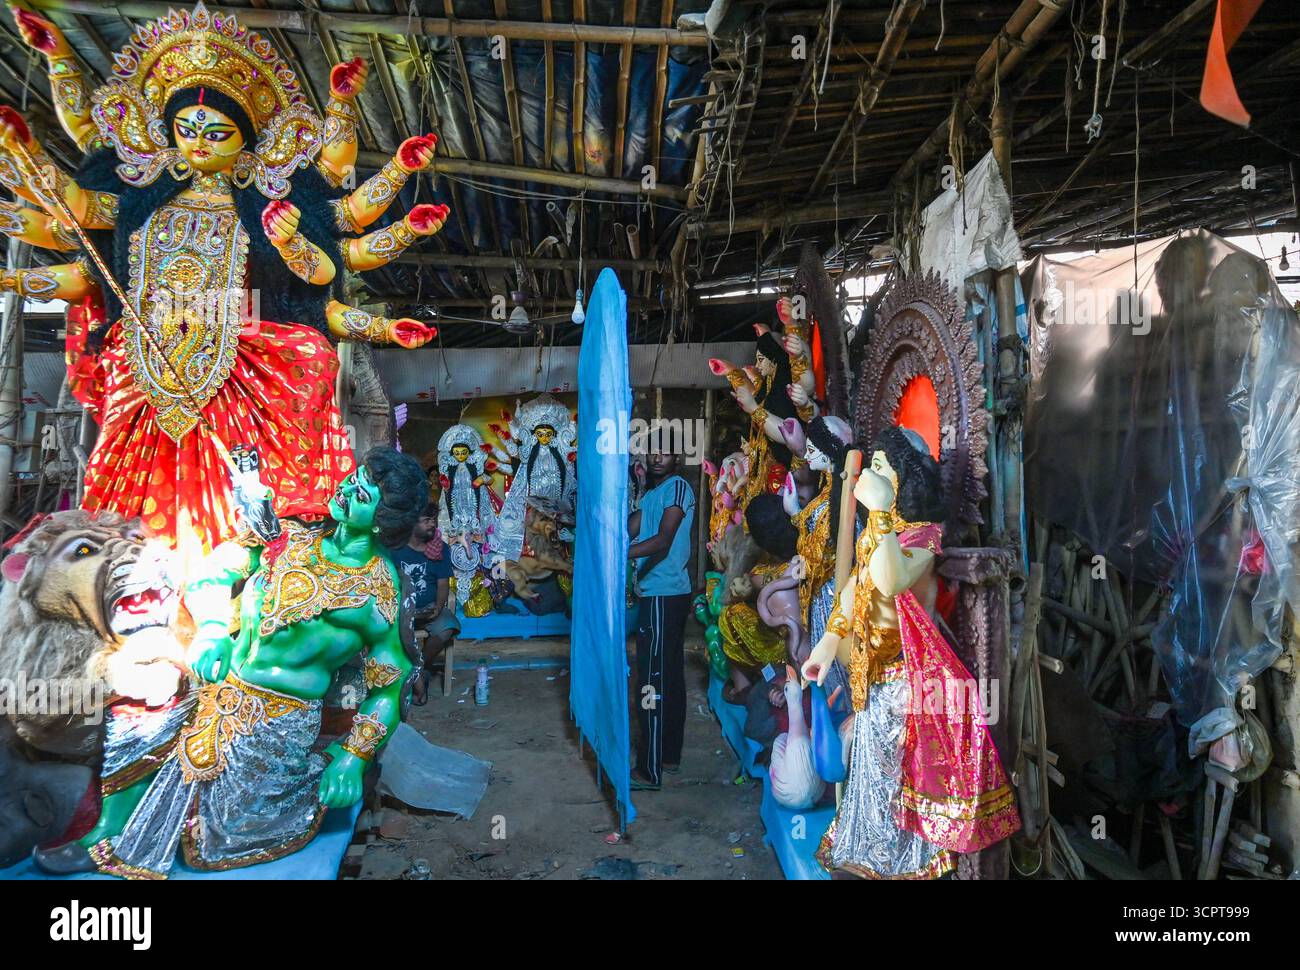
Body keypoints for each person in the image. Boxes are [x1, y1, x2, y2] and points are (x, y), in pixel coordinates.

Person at [627, 449, 696, 790]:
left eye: (665, 453)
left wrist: (621, 553)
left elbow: (664, 540)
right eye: (652, 452)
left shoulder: (679, 487)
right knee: (667, 676)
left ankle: (648, 769)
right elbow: (630, 527)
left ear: (677, 459)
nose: (657, 458)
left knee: (650, 680)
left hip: (664, 593)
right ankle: (668, 756)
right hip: (658, 593)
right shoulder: (653, 495)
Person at [392, 504, 460, 704]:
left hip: (429, 608)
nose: (433, 524)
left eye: (434, 520)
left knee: (447, 628)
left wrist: (437, 608)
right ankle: (417, 678)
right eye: (426, 520)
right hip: (400, 611)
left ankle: (418, 670)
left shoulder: (440, 549)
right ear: (412, 523)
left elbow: (442, 585)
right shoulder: (395, 549)